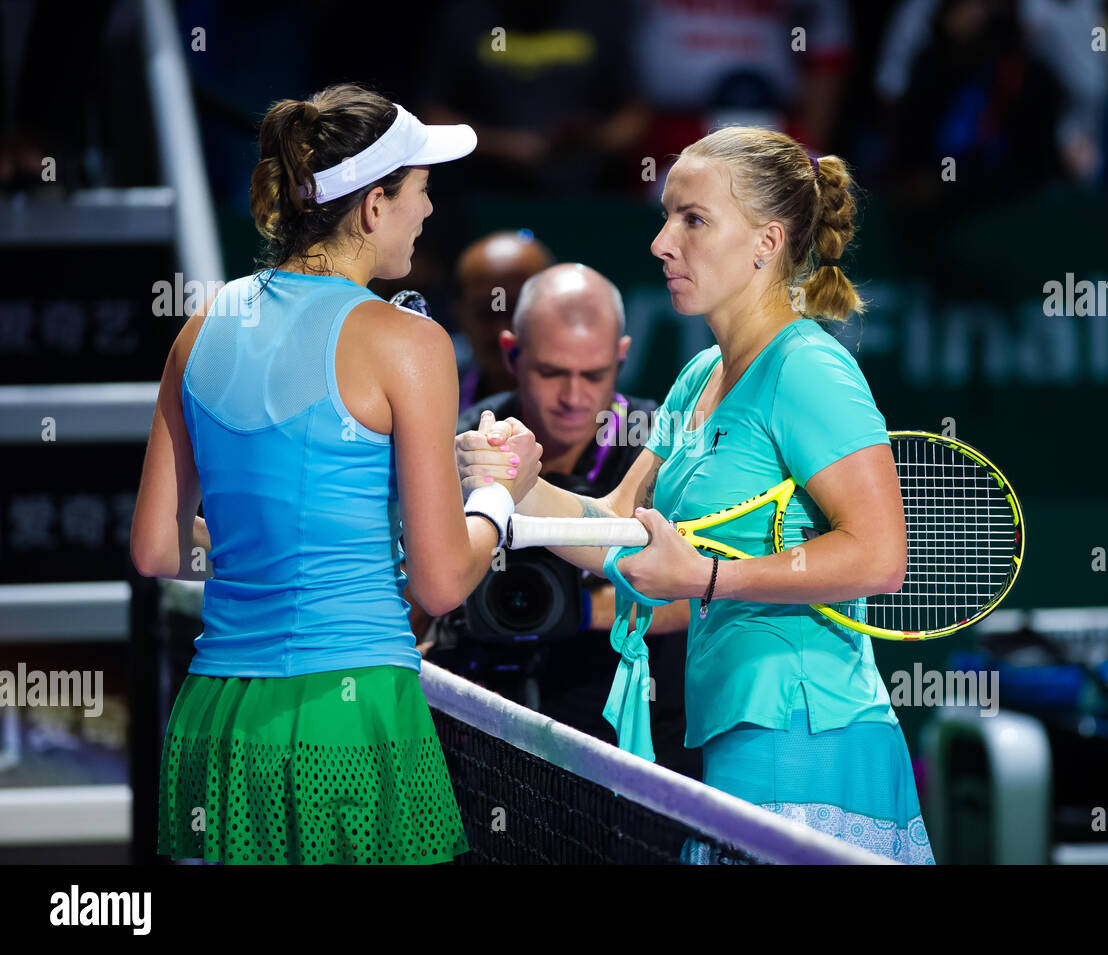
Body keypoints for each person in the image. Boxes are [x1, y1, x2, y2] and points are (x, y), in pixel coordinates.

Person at [457, 126, 935, 863]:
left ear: (766, 242)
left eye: (693, 219)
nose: (661, 243)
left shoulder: (811, 369)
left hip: (809, 734)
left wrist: (708, 577)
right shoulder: (698, 376)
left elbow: (880, 555)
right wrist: (521, 484)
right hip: (735, 731)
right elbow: (619, 522)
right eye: (665, 216)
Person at [130, 82, 542, 864]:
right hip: (348, 717)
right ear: (373, 205)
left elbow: (156, 550)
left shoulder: (198, 329)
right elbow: (442, 582)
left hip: (218, 721)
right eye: (420, 191)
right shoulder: (408, 344)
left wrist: (268, 553)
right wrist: (498, 493)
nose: (428, 212)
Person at [421, 262, 699, 778]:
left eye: (594, 375)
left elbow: (701, 588)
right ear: (512, 353)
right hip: (484, 746)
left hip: (640, 756)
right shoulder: (463, 445)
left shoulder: (666, 448)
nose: (574, 397)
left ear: (621, 356)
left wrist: (573, 608)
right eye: (552, 372)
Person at [450, 231, 554, 411]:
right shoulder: (431, 378)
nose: (502, 330)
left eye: (517, 311)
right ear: (460, 313)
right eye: (486, 313)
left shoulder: (602, 379)